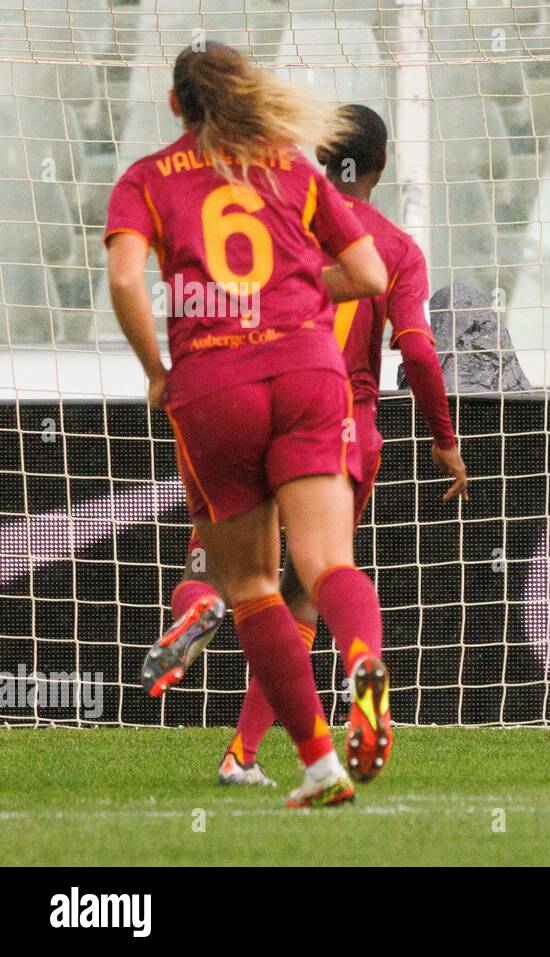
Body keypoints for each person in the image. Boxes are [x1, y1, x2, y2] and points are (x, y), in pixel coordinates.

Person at [142, 104, 468, 787]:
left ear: (323, 158)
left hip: (248, 395)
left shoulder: (283, 219)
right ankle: (331, 691)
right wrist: (445, 440)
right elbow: (419, 352)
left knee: (233, 567)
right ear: (380, 167)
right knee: (308, 586)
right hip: (338, 421)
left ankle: (205, 628)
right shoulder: (396, 249)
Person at [107, 42, 391, 807]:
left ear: (175, 107)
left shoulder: (145, 178)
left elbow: (126, 277)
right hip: (306, 371)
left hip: (213, 386)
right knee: (329, 561)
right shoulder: (291, 165)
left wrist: (156, 371)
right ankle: (364, 657)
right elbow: (369, 275)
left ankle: (320, 766)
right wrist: (290, 291)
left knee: (254, 583)